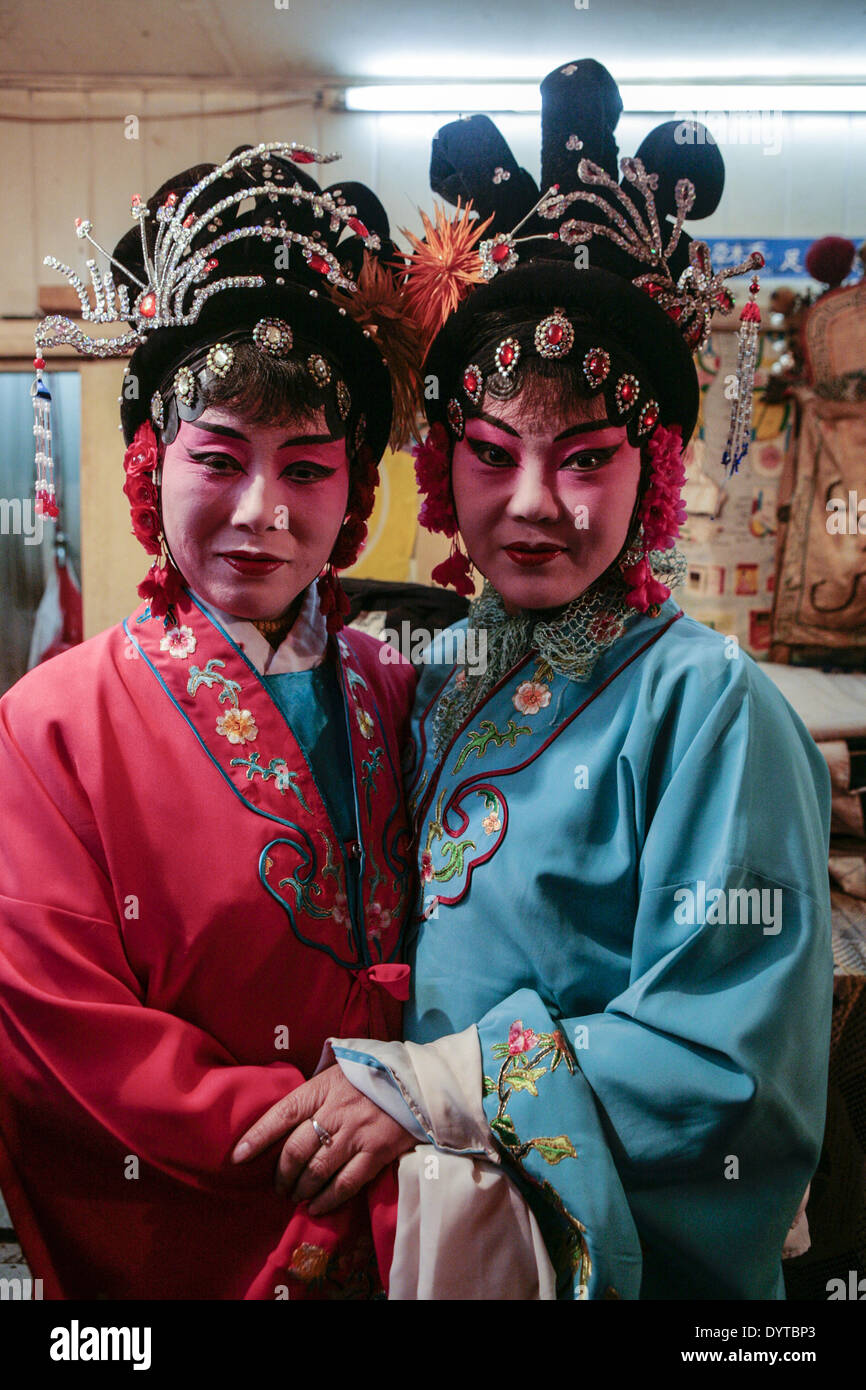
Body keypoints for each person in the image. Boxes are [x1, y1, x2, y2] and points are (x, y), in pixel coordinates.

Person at [236, 62, 834, 1300]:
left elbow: (728, 1065)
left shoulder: (711, 709)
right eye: (493, 453)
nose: (532, 506)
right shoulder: (443, 670)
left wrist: (442, 1086)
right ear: (443, 459)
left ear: (652, 468)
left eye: (587, 458)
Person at [0, 142, 422, 1300]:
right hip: (221, 1225)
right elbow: (66, 1039)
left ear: (355, 496)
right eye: (219, 459)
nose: (261, 513)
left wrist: (423, 1095)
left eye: (306, 468)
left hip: (417, 1215)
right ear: (150, 465)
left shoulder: (403, 692)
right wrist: (338, 1136)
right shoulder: (49, 729)